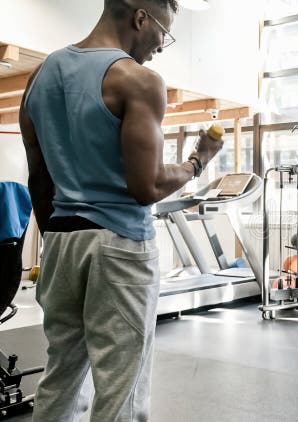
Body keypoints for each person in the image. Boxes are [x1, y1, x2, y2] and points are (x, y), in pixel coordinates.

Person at [19, 1, 223, 420]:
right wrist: (198, 161)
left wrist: (54, 238)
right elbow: (145, 186)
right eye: (163, 33)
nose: (161, 46)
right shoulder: (139, 80)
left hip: (61, 241)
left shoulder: (41, 77)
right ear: (140, 17)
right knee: (121, 388)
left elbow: (38, 178)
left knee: (60, 377)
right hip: (120, 246)